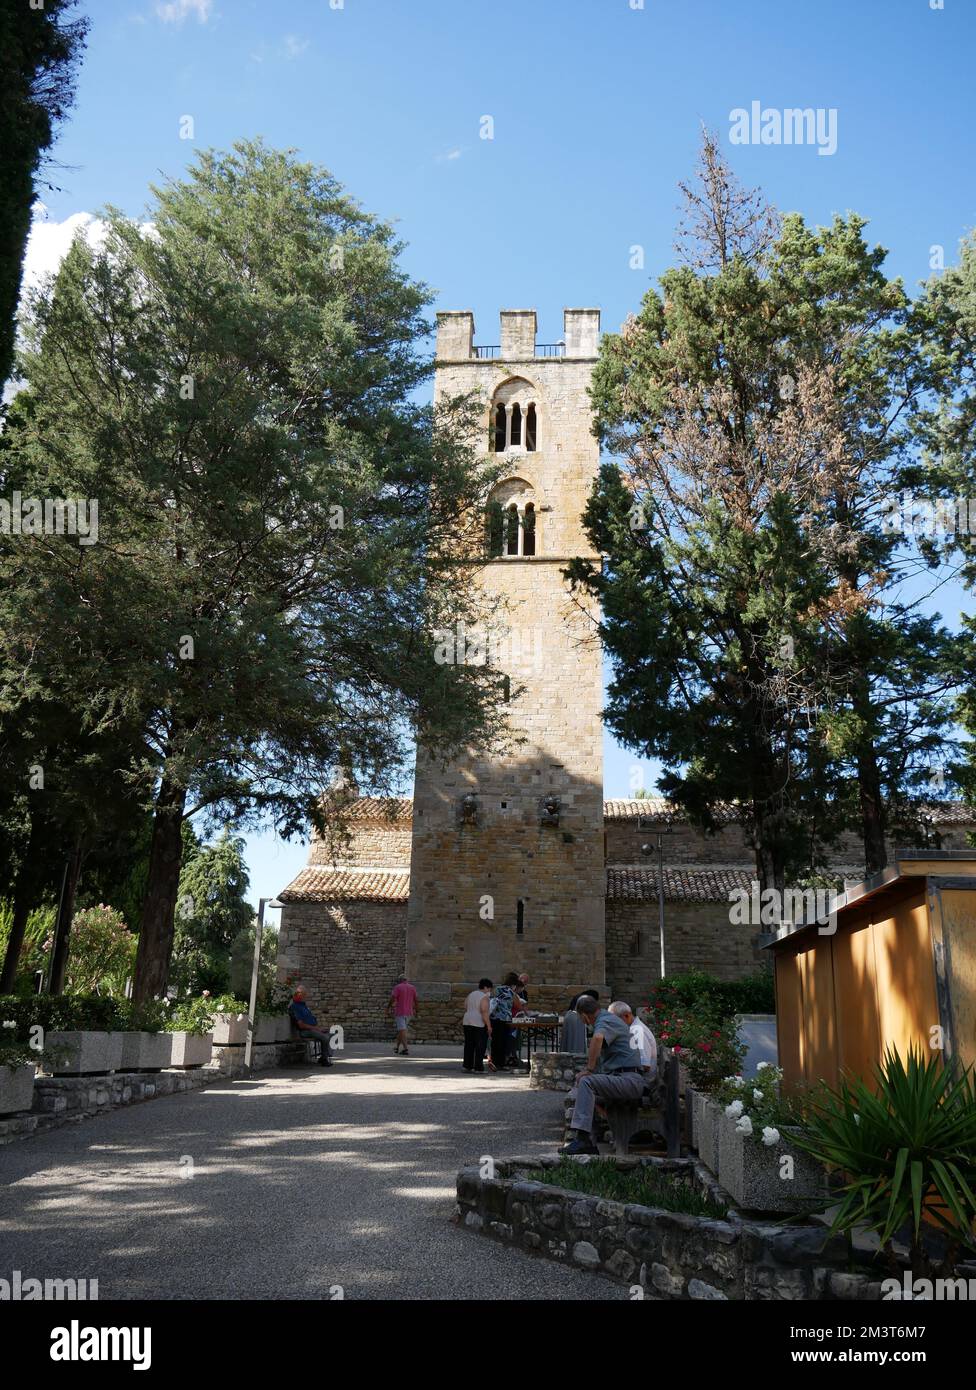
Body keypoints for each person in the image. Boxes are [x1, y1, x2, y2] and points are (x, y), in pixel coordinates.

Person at [560, 996, 650, 1154]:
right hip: (626, 1079)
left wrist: (589, 1069)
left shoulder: (604, 1020)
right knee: (584, 1088)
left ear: (584, 1015)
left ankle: (583, 1140)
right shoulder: (607, 1019)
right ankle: (588, 1141)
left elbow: (597, 1038)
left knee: (586, 1082)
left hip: (630, 1081)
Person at [609, 1000, 658, 1081]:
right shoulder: (633, 1029)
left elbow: (645, 1065)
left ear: (626, 1016)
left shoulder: (637, 1031)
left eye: (615, 1021)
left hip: (642, 1081)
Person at [288, 987, 333, 1067]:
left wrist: (319, 1028)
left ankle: (323, 1056)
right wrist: (317, 1029)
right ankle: (324, 1059)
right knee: (325, 1037)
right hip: (305, 1031)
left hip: (312, 1029)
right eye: (304, 995)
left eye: (305, 995)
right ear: (298, 995)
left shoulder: (303, 1006)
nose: (305, 997)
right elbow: (301, 1025)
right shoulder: (295, 1007)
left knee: (329, 1033)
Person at [489, 972, 521, 1071]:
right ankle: (501, 1063)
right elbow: (518, 1005)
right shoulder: (511, 992)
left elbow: (491, 1000)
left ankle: (494, 1062)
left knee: (495, 1041)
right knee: (503, 1042)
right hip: (505, 1019)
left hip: (494, 1018)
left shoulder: (497, 989)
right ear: (514, 984)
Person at [462, 978, 493, 1073]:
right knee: (480, 1045)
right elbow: (484, 1011)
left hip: (467, 1021)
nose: (490, 991)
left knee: (469, 1044)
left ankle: (467, 1066)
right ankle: (478, 1068)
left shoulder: (471, 994)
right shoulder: (484, 997)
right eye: (489, 989)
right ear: (485, 987)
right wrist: (489, 1026)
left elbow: (465, 1006)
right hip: (478, 1023)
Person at [561, 989, 599, 1054]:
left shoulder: (579, 996)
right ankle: (577, 1054)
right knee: (577, 1040)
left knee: (569, 1039)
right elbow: (585, 1013)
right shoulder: (585, 999)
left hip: (569, 1017)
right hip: (577, 1018)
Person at [389, 975, 418, 1056]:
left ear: (400, 980)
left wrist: (388, 1007)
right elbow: (416, 1000)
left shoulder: (397, 987)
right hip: (409, 1012)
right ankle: (397, 1047)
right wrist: (417, 1010)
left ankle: (405, 1049)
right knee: (401, 1030)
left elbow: (393, 998)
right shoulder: (412, 987)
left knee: (402, 1030)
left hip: (400, 1012)